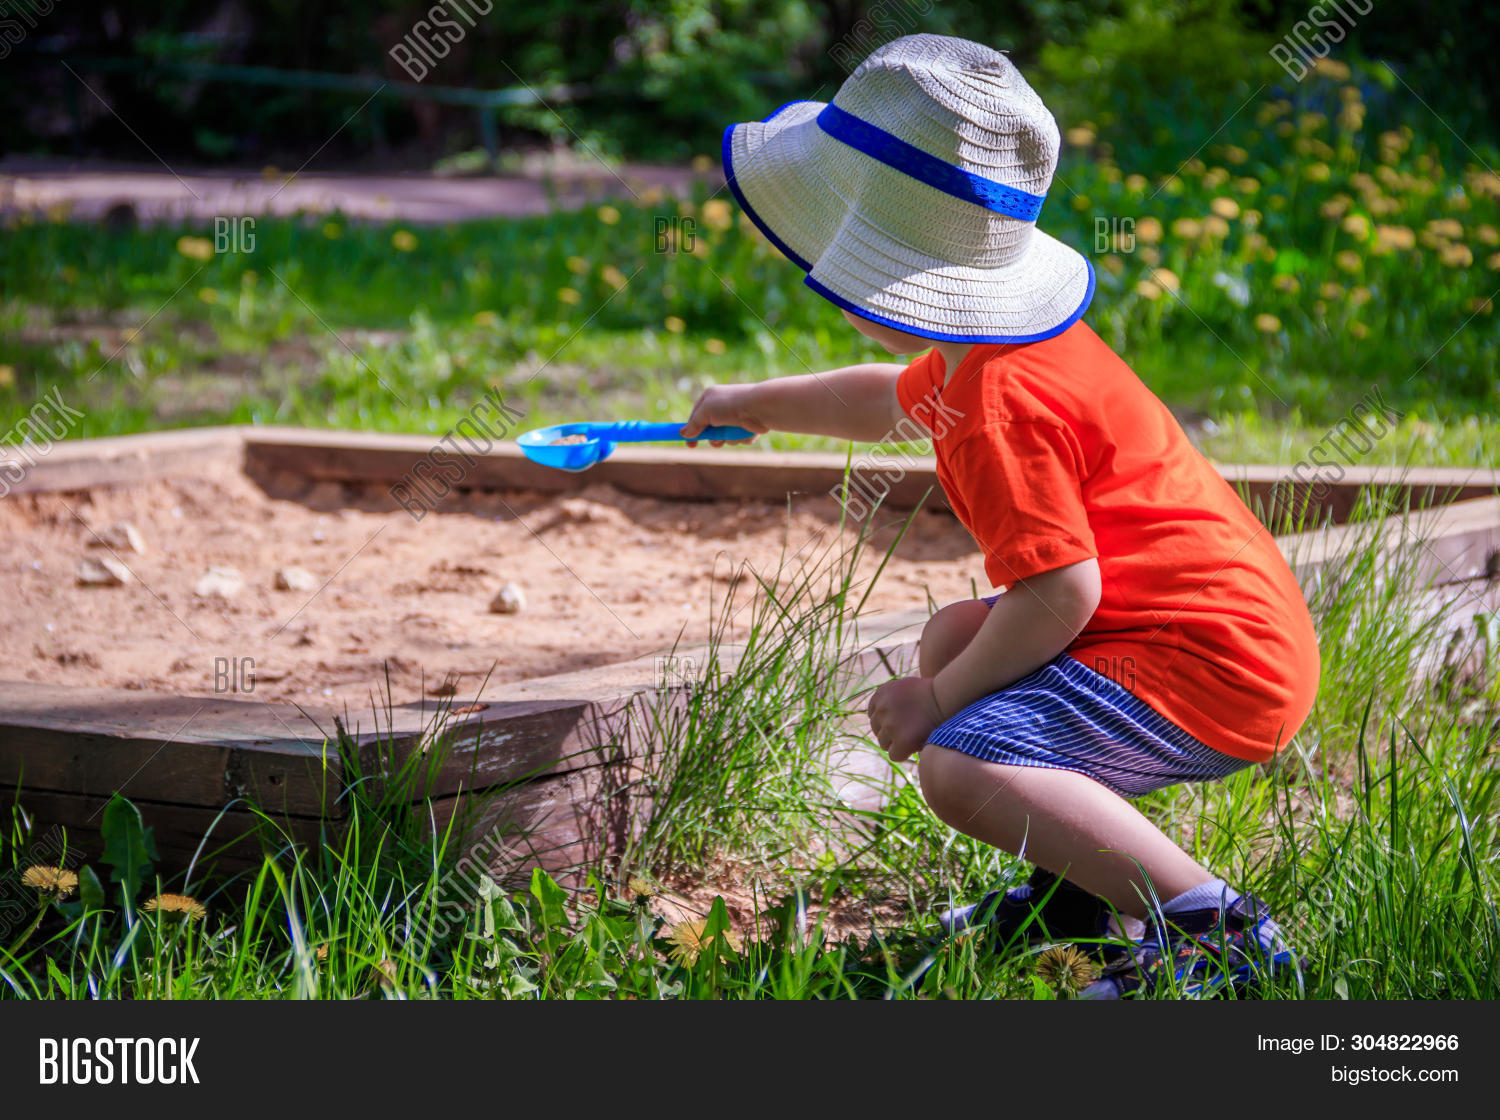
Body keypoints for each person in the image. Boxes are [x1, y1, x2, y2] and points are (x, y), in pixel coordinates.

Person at [682, 33, 1319, 996]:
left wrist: (935, 707)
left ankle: (1225, 939)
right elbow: (882, 398)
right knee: (954, 636)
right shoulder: (989, 354)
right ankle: (1072, 908)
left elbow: (1062, 590)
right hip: (1212, 635)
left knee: (960, 763)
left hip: (1212, 667)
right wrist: (752, 402)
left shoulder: (996, 409)